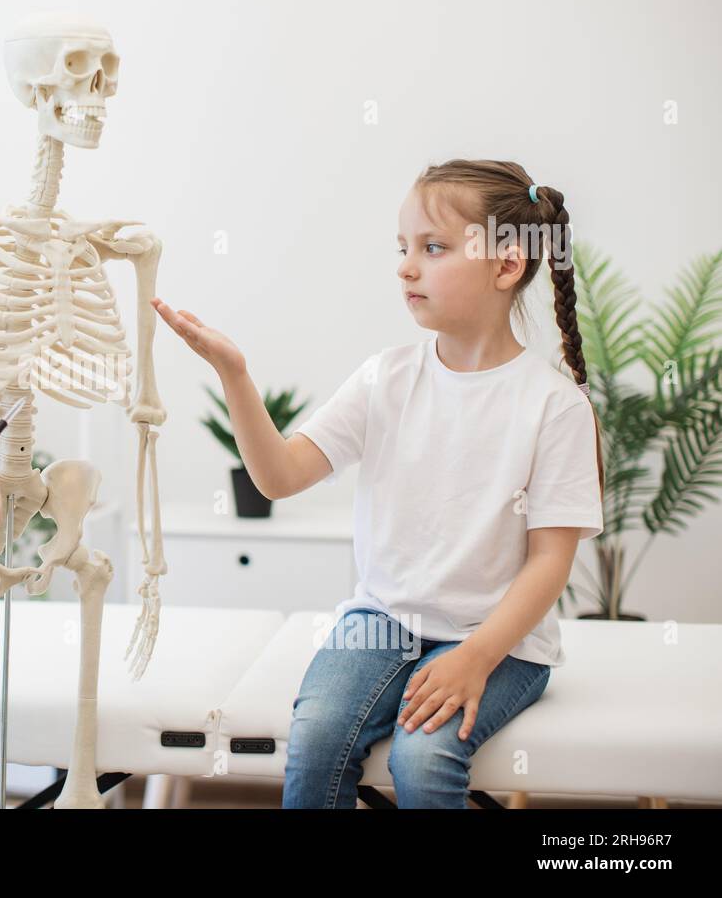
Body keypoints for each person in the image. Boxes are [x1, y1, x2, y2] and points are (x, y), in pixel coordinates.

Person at [153, 159, 605, 808]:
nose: (405, 267)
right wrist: (235, 375)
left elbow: (550, 563)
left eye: (434, 248)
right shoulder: (384, 379)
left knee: (424, 761)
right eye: (403, 248)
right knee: (314, 739)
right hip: (381, 622)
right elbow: (279, 477)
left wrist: (475, 657)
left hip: (502, 641)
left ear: (507, 266)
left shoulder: (554, 406)